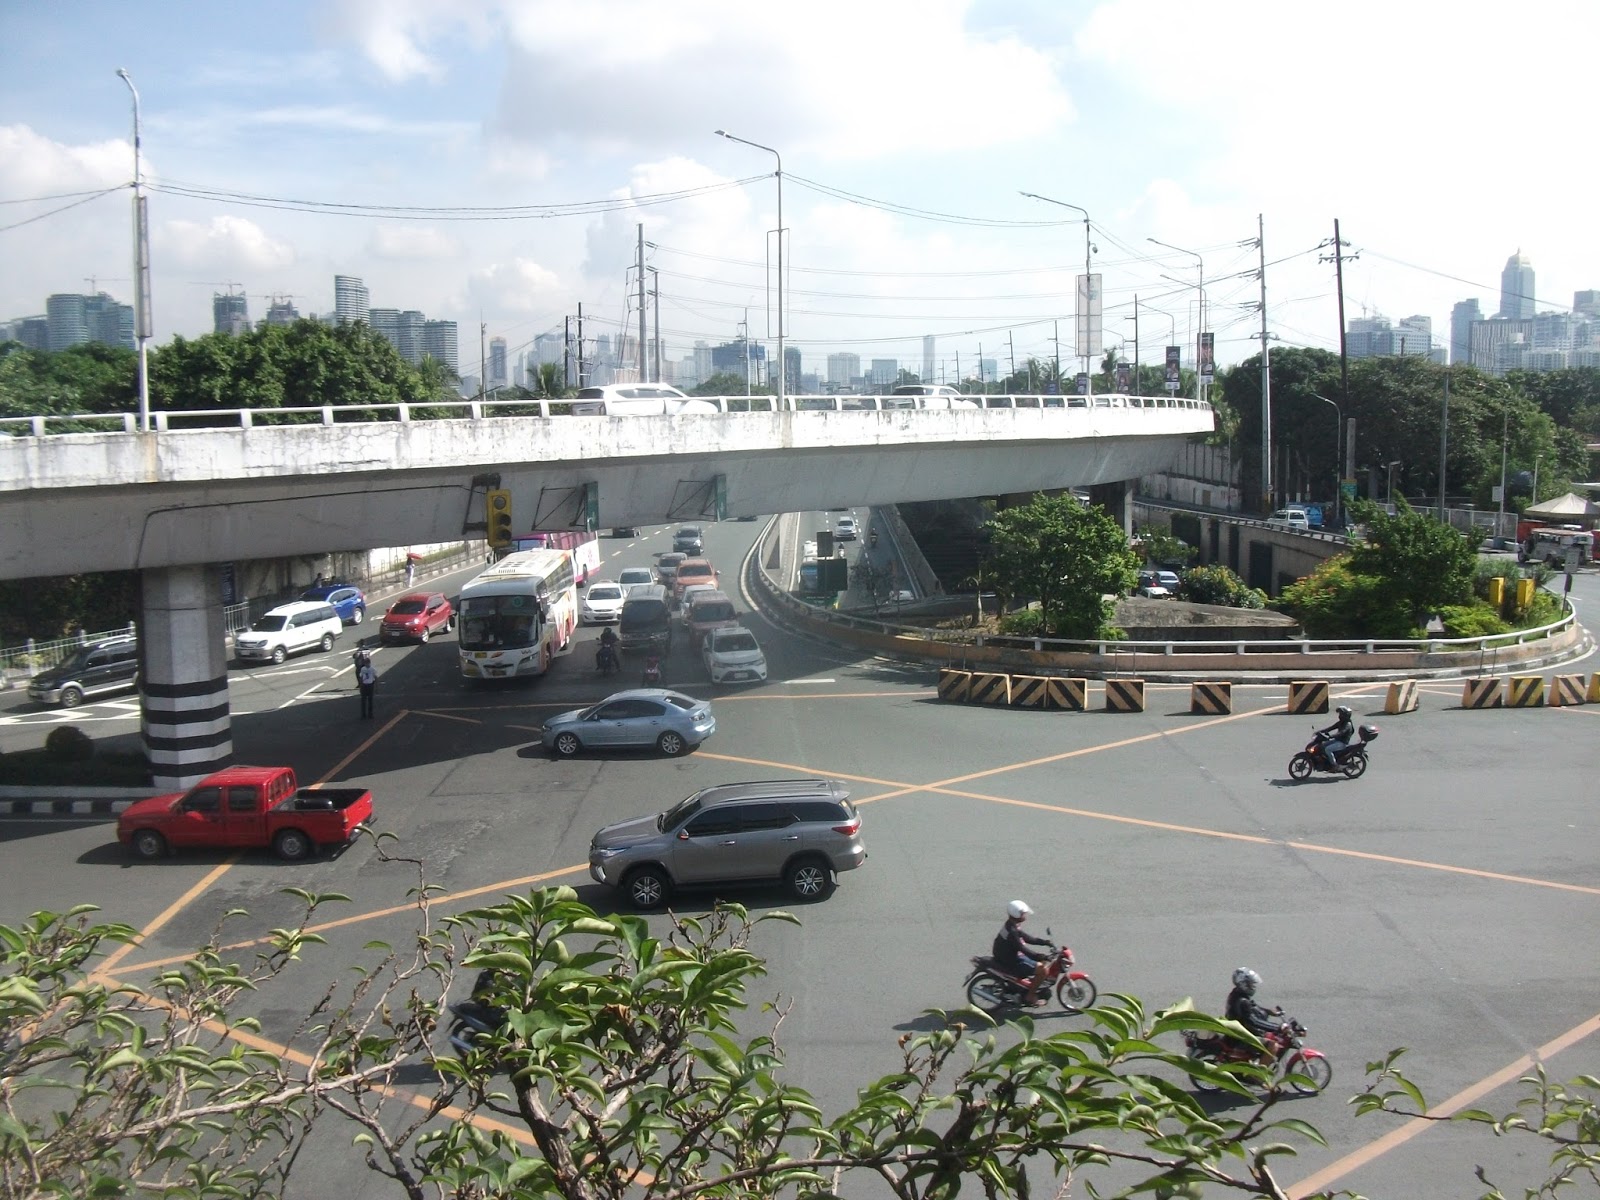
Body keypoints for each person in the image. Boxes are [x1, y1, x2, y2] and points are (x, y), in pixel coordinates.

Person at [992, 900, 1053, 1006]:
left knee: (1039, 963)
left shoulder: (1012, 925)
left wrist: (1045, 942)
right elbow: (1023, 949)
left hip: (1005, 954)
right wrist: (1040, 957)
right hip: (1011, 960)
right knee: (1043, 970)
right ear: (1017, 914)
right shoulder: (1012, 931)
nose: (1025, 915)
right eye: (1023, 913)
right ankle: (1030, 996)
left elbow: (1027, 938)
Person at [1224, 967, 1284, 1058]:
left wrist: (1269, 1012)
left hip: (1238, 1033)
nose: (1253, 986)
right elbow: (1253, 1021)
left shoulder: (1237, 994)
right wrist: (1277, 1028)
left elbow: (1253, 1007)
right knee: (1273, 1046)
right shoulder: (1242, 1001)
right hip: (1241, 1038)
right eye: (1251, 984)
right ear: (1243, 984)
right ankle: (1261, 1070)